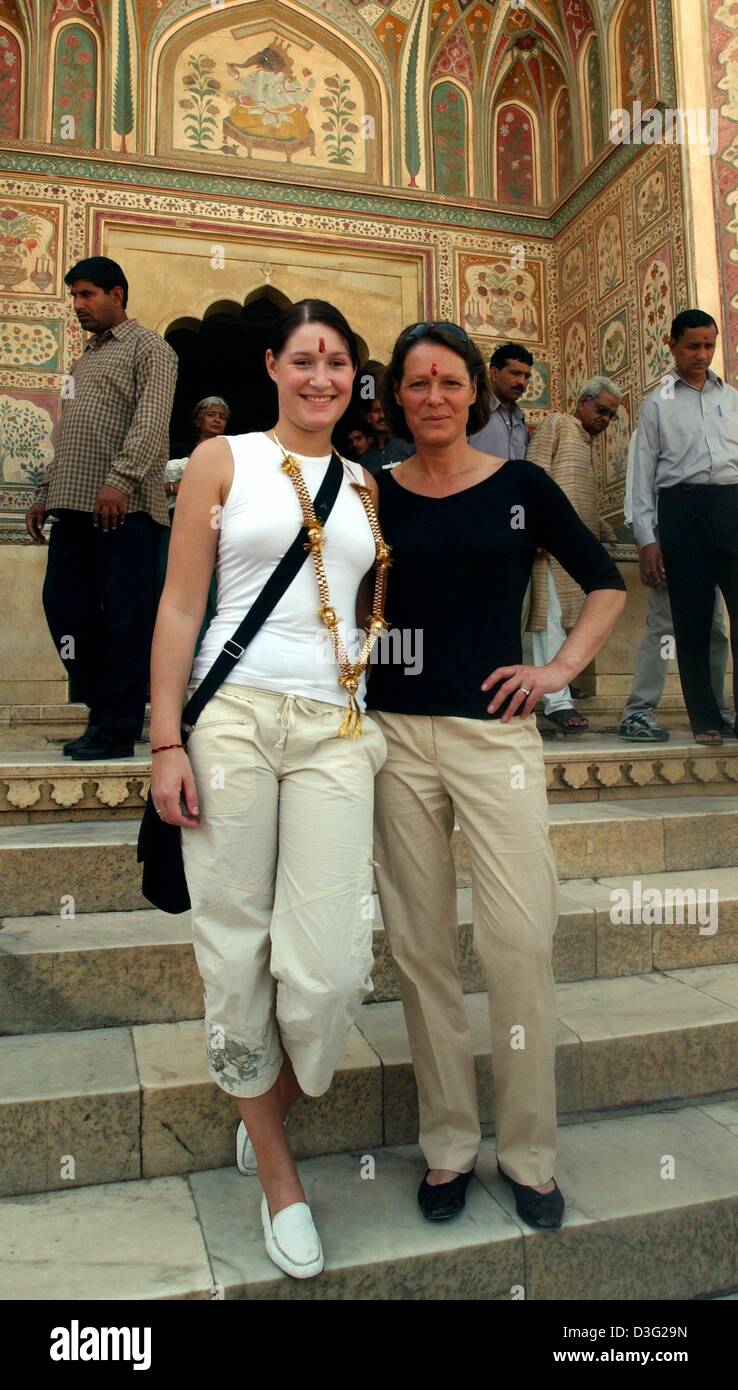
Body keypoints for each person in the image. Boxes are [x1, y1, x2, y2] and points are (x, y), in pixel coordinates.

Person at [149, 299, 389, 1280]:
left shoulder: (368, 487)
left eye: (336, 362)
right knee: (236, 942)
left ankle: (265, 1096)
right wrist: (166, 739)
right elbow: (179, 601)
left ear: (350, 377)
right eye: (304, 360)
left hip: (333, 728)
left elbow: (369, 615)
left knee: (331, 967)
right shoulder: (223, 461)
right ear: (273, 367)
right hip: (235, 720)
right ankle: (279, 1175)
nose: (320, 376)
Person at [366, 322, 626, 1230]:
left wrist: (555, 674)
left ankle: (528, 1153)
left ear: (476, 392)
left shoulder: (522, 485)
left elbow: (604, 581)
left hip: (495, 737)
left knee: (518, 943)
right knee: (422, 948)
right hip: (395, 740)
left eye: (449, 380)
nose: (433, 396)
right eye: (415, 383)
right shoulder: (371, 495)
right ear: (396, 397)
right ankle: (447, 1146)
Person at [25, 256, 177, 760]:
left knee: (126, 617)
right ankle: (102, 708)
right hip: (73, 507)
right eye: (73, 296)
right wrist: (46, 491)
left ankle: (117, 725)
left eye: (87, 295)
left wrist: (119, 480)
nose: (78, 306)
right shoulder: (85, 358)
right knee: (63, 604)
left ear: (118, 295)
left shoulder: (151, 348)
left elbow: (152, 423)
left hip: (127, 509)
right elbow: (69, 433)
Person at [630, 309, 738, 746]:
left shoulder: (731, 398)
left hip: (732, 505)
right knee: (690, 621)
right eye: (693, 345)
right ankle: (706, 718)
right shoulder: (658, 402)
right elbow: (642, 475)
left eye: (709, 345)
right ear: (671, 344)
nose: (702, 354)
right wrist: (647, 540)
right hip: (682, 509)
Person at [618, 429, 733, 741]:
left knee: (715, 627)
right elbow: (638, 487)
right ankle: (638, 710)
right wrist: (648, 543)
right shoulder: (654, 425)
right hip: (670, 542)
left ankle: (716, 708)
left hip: (713, 543)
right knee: (664, 626)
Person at [525, 378, 622, 734]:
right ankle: (557, 701)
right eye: (601, 411)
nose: (605, 420)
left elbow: (584, 501)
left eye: (611, 416)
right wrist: (535, 527)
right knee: (546, 618)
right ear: (582, 401)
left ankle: (560, 684)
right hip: (548, 544)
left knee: (568, 619)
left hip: (573, 547)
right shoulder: (558, 423)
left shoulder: (586, 443)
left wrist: (606, 534)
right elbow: (535, 472)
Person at [158, 396, 230, 656]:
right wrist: (181, 486)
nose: (217, 419)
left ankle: (205, 662)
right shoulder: (178, 456)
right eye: (211, 414)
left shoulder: (232, 456)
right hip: (176, 528)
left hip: (214, 530)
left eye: (222, 416)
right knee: (173, 589)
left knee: (211, 594)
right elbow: (154, 488)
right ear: (198, 420)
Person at [468, 341, 532, 458]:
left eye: (526, 376)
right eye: (515, 373)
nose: (522, 382)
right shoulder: (472, 410)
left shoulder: (519, 419)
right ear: (494, 373)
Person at [360, 394, 415, 475]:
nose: (382, 416)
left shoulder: (409, 450)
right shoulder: (363, 463)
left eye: (385, 411)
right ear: (369, 417)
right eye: (376, 411)